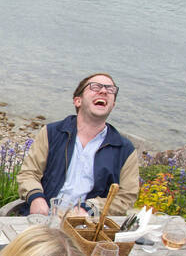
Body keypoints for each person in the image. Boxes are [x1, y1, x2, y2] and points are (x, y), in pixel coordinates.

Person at [17, 72, 139, 218]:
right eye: (95, 87)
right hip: (42, 221)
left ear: (112, 105)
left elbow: (126, 197)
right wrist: (36, 197)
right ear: (78, 101)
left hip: (86, 228)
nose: (104, 91)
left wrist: (89, 209)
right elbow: (28, 173)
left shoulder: (125, 150)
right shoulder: (51, 133)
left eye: (110, 89)